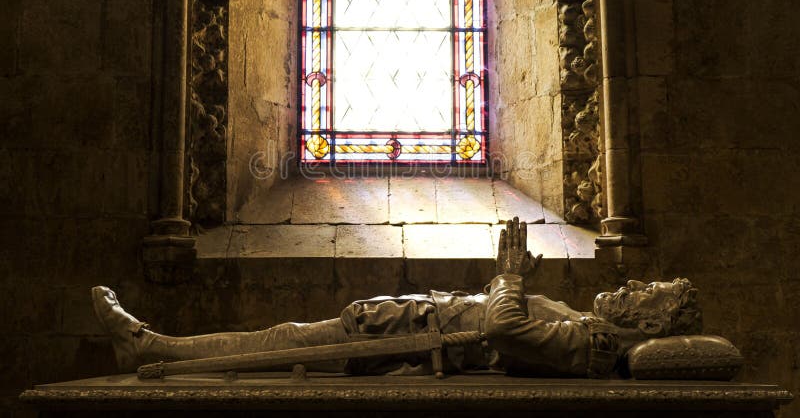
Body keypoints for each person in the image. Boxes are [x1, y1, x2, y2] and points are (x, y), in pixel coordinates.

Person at [93, 218, 701, 377]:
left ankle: (148, 347)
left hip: (411, 340)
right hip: (409, 325)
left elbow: (504, 330)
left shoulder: (592, 343)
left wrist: (510, 275)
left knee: (279, 344)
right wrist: (507, 279)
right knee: (281, 340)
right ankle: (153, 346)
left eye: (646, 292)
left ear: (652, 324)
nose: (631, 286)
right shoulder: (586, 326)